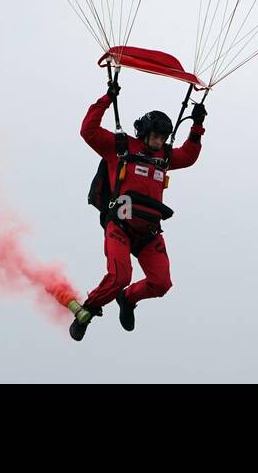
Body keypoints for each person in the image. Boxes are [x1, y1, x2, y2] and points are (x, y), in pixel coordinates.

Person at [69, 80, 207, 341]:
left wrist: (197, 126)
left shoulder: (164, 157)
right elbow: (88, 131)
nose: (158, 142)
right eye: (155, 136)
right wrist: (106, 98)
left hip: (150, 233)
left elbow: (188, 156)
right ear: (144, 132)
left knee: (162, 283)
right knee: (120, 276)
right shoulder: (121, 147)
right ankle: (87, 310)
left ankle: (128, 299)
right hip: (120, 226)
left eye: (163, 138)